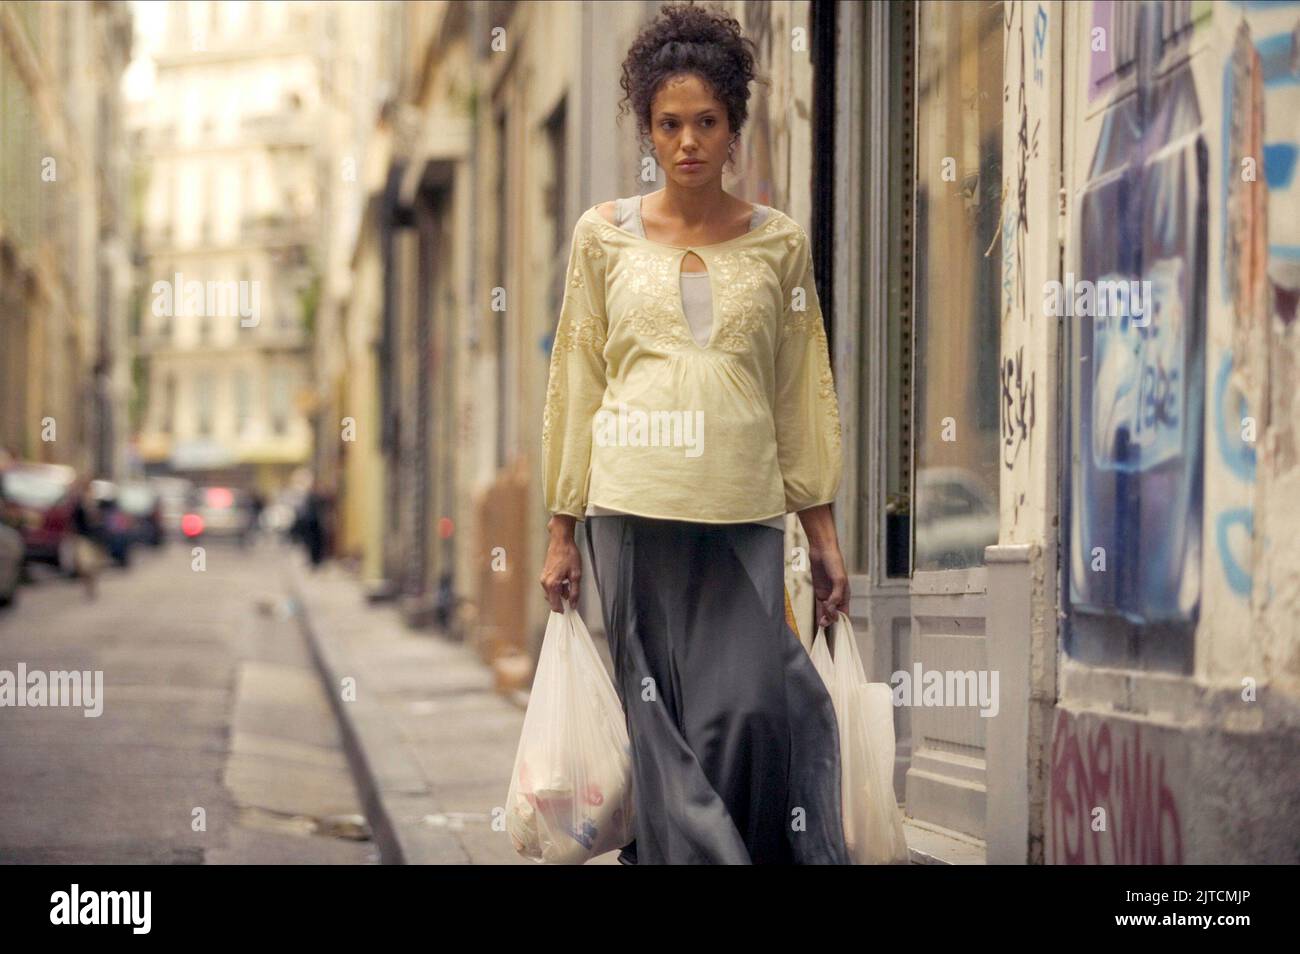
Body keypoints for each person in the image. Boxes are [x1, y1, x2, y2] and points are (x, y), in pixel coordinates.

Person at [538, 4, 850, 865]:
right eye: (669, 124)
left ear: (734, 127)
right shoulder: (601, 236)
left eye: (705, 122)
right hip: (632, 509)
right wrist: (561, 530)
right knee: (662, 724)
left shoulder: (779, 244)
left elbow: (800, 392)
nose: (687, 143)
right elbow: (577, 382)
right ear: (647, 128)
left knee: (751, 712)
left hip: (744, 509)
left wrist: (821, 533)